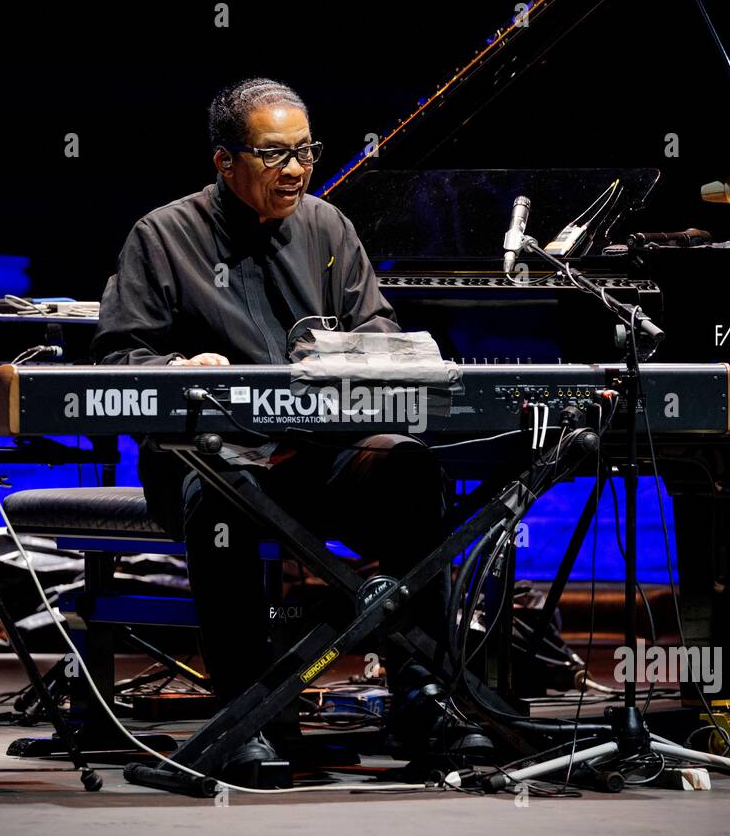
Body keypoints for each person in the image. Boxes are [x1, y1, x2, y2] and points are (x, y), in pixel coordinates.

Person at [92, 78, 493, 782]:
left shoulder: (328, 227)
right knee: (224, 502)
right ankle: (248, 712)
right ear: (224, 161)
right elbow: (118, 356)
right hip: (210, 463)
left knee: (408, 466)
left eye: (305, 150)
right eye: (274, 153)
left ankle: (422, 695)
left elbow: (378, 331)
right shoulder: (163, 235)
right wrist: (181, 365)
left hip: (317, 458)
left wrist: (359, 353)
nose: (297, 169)